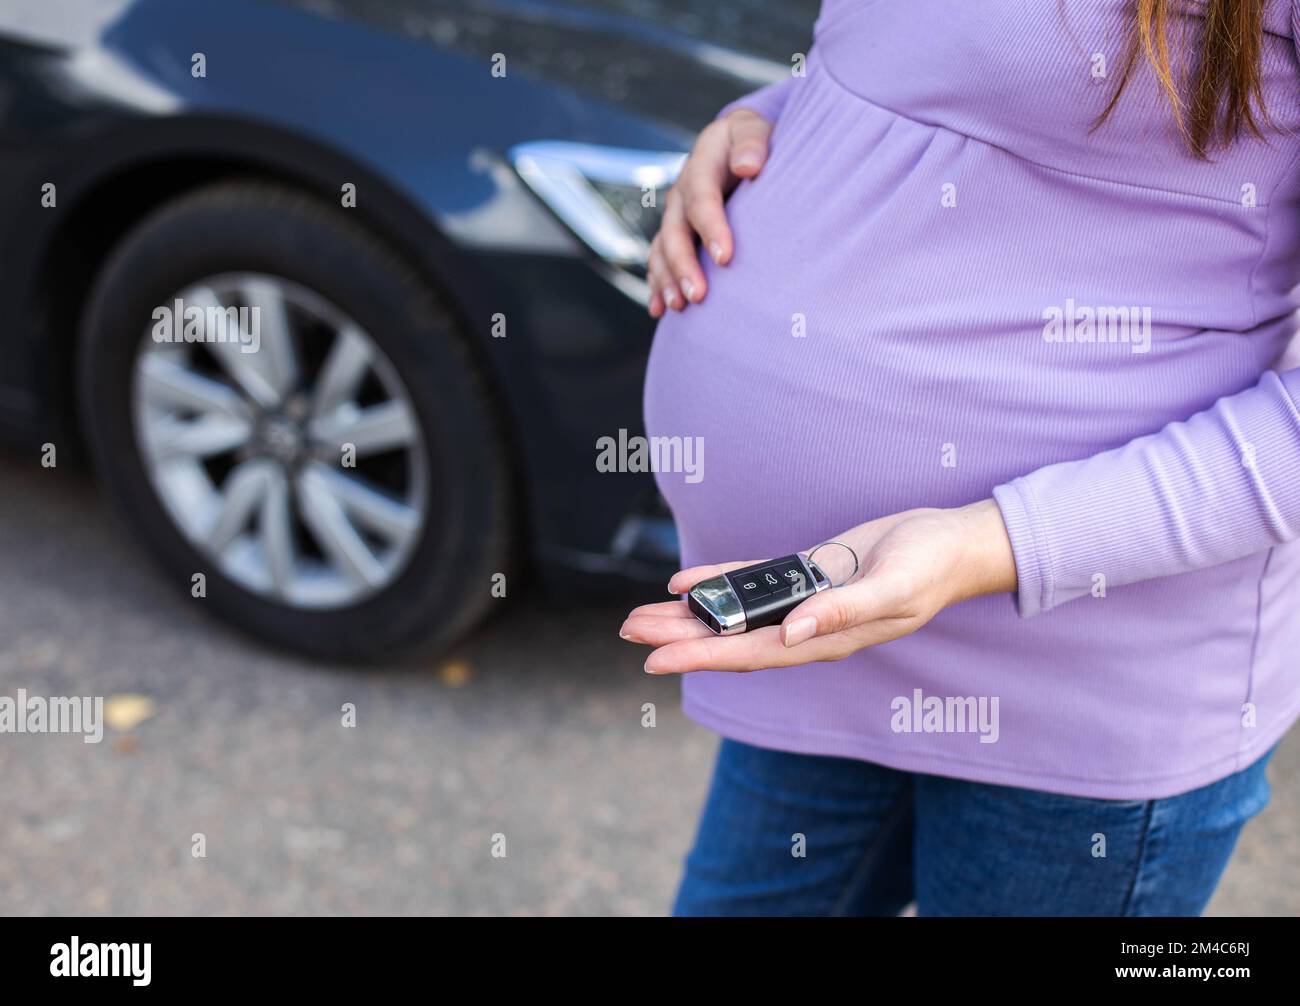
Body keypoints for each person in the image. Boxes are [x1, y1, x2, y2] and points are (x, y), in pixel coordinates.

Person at [620, 0, 1300, 916]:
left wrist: (988, 544)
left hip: (1077, 693)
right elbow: (924, 66)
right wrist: (776, 119)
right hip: (821, 621)